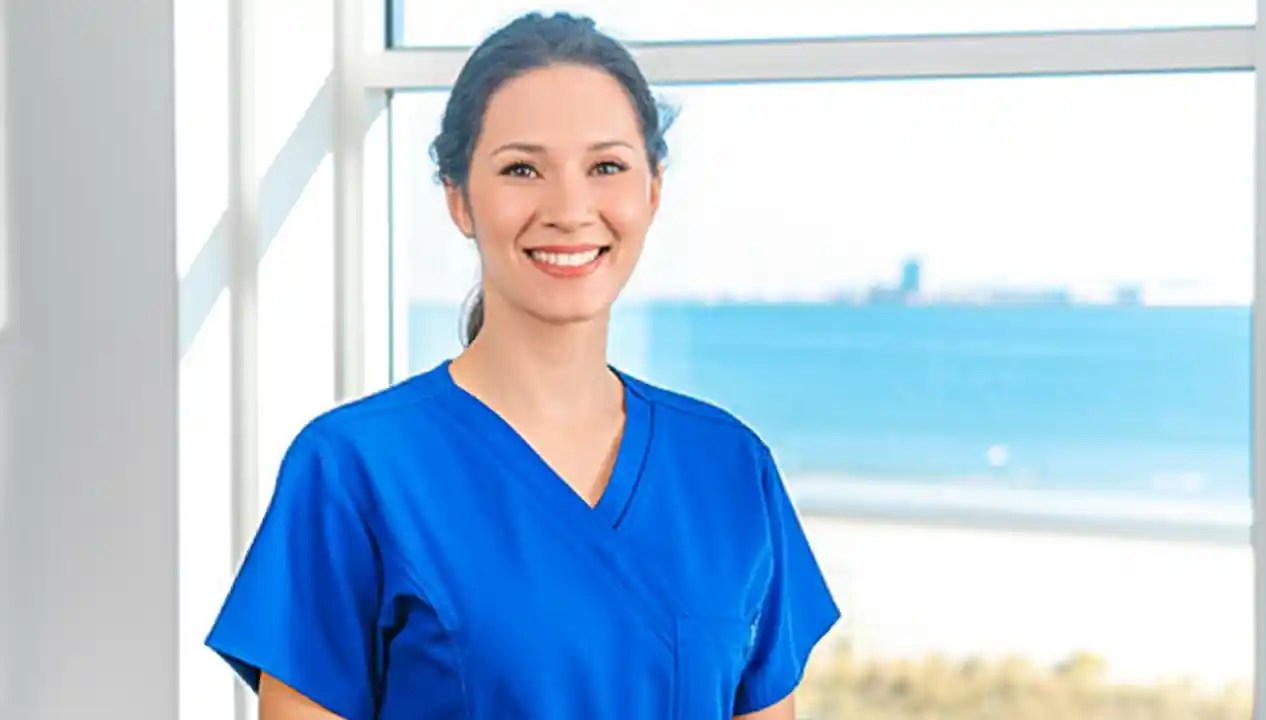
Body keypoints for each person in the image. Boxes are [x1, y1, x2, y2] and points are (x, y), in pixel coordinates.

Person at [205, 11, 840, 720]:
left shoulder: (729, 468)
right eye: (521, 169)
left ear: (652, 190)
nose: (569, 209)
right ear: (458, 198)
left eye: (606, 167)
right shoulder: (353, 470)